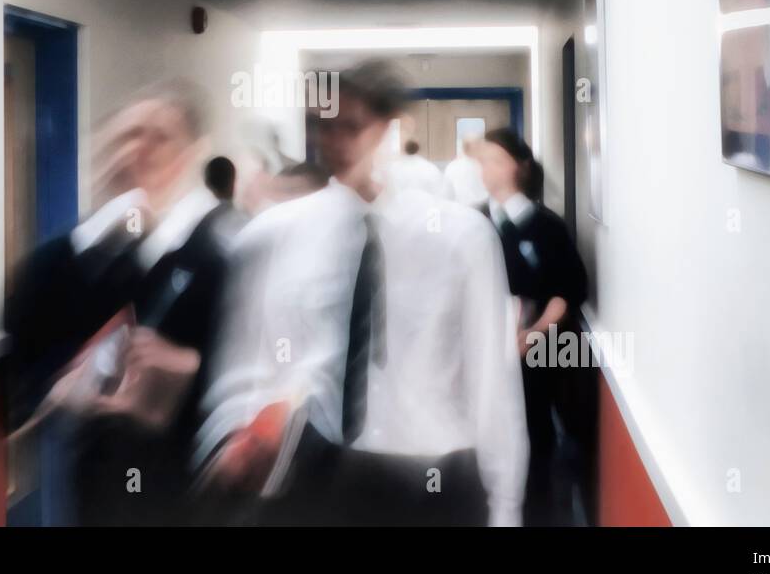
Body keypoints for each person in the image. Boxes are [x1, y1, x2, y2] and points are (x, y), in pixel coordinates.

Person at [196, 60, 528, 526]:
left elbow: (494, 383)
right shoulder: (278, 235)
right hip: (327, 477)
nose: (337, 142)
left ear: (386, 128)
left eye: (352, 126)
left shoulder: (462, 237)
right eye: (324, 127)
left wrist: (506, 509)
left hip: (440, 478)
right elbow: (250, 361)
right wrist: (240, 433)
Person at [5, 80, 230, 525]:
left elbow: (255, 373)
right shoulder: (95, 249)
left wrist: (191, 368)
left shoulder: (220, 248)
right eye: (127, 135)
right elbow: (26, 334)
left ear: (190, 153)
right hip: (98, 479)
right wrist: (57, 386)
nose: (139, 150)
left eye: (159, 136)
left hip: (188, 490)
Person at [475, 127, 588, 525]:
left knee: (533, 432)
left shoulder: (546, 227)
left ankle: (536, 510)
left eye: (495, 159)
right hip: (485, 350)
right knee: (488, 435)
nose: (485, 168)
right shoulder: (473, 222)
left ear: (519, 166)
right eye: (482, 160)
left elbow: (569, 288)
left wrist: (534, 333)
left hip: (536, 351)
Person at [443, 136, 488, 207]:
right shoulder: (483, 166)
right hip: (480, 208)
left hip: (457, 207)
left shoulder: (451, 166)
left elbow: (446, 191)